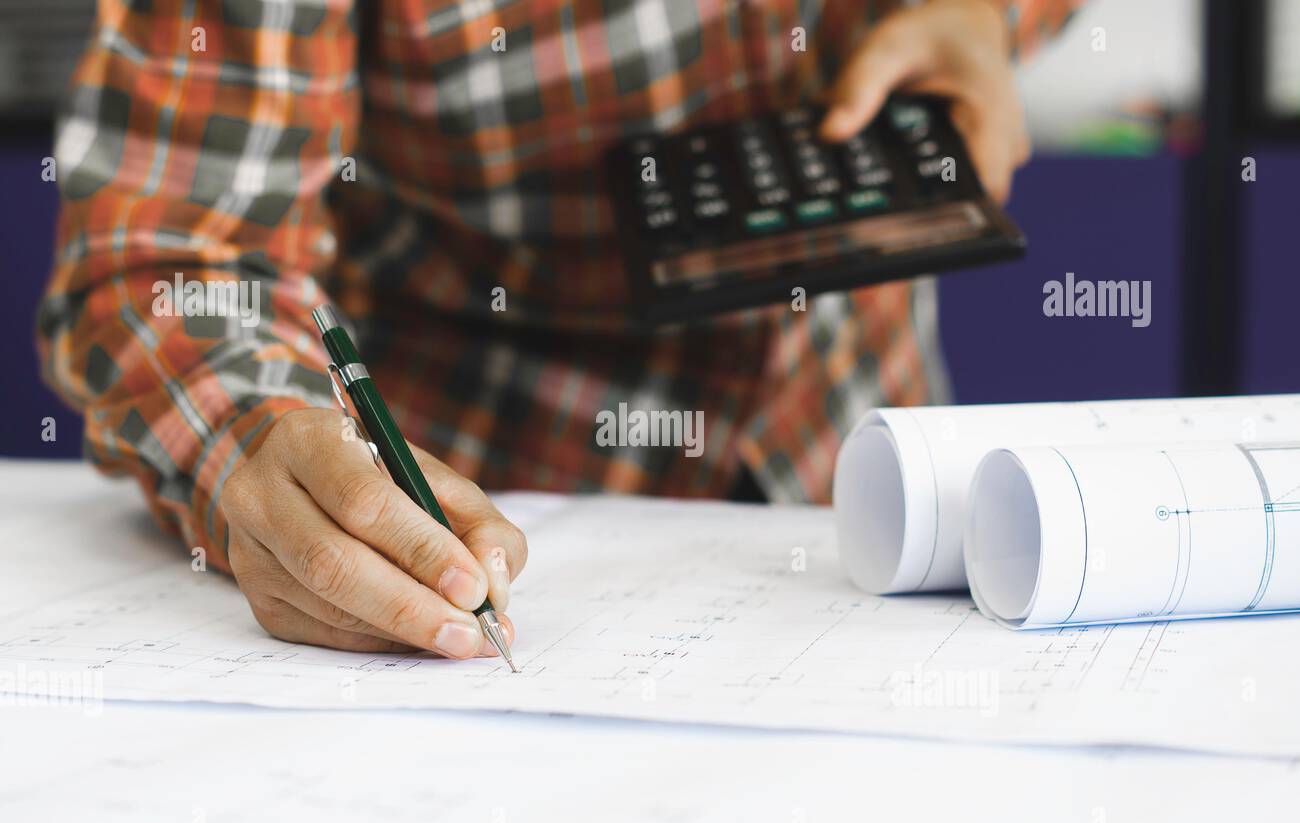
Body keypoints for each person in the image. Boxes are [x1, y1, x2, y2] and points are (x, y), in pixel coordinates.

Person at [37, 0, 1079, 661]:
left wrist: (984, 15)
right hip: (495, 508)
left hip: (865, 448)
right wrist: (252, 441)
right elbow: (167, 256)